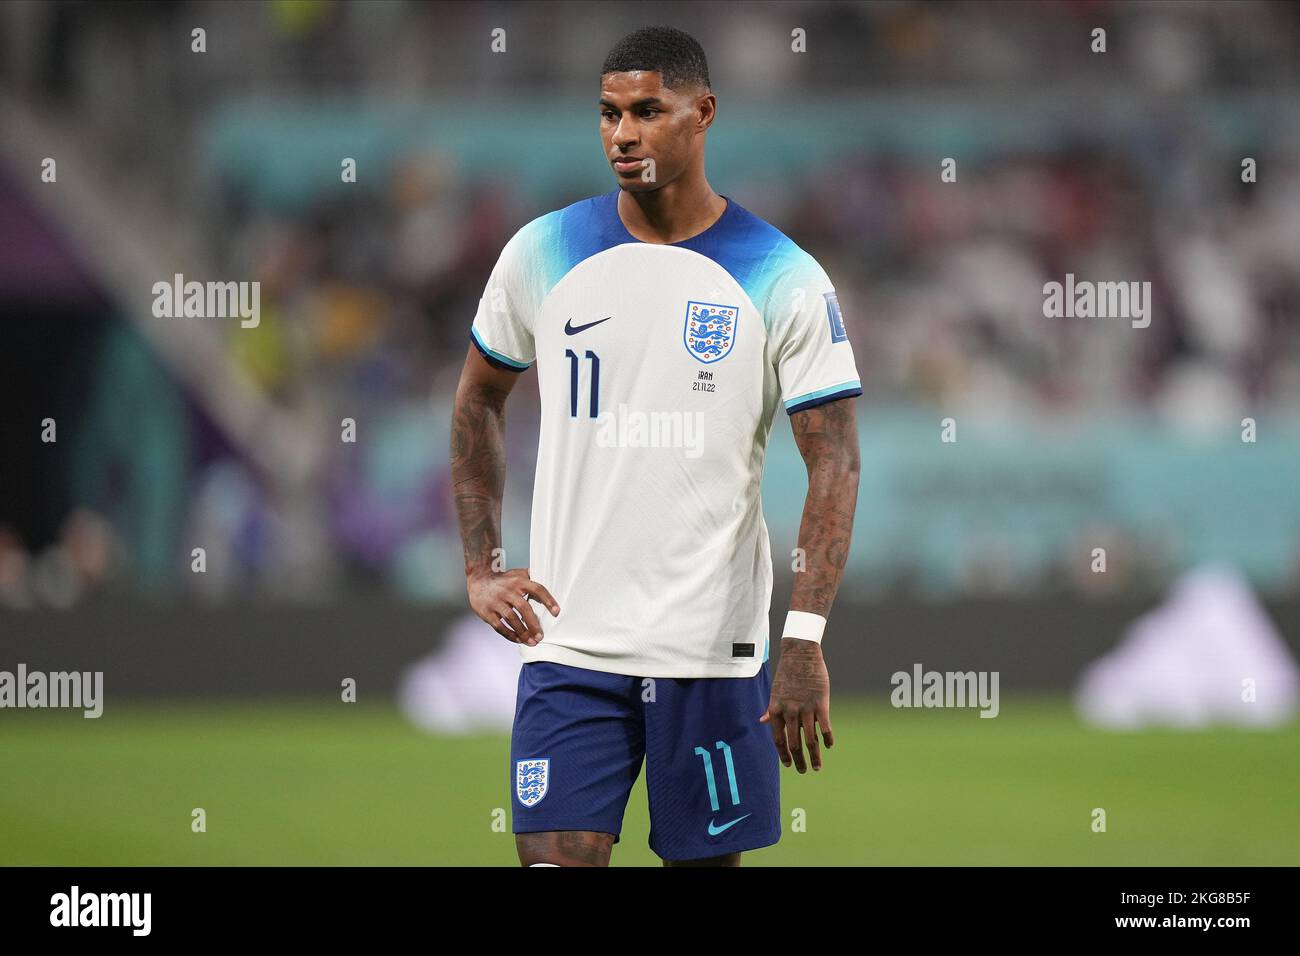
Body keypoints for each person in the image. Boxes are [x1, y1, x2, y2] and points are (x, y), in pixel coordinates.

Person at [450, 24, 862, 867]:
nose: (623, 134)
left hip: (713, 656)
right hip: (570, 648)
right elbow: (477, 403)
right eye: (607, 114)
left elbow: (835, 459)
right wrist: (483, 563)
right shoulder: (542, 252)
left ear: (703, 112)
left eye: (647, 110)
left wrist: (805, 638)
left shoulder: (782, 275)